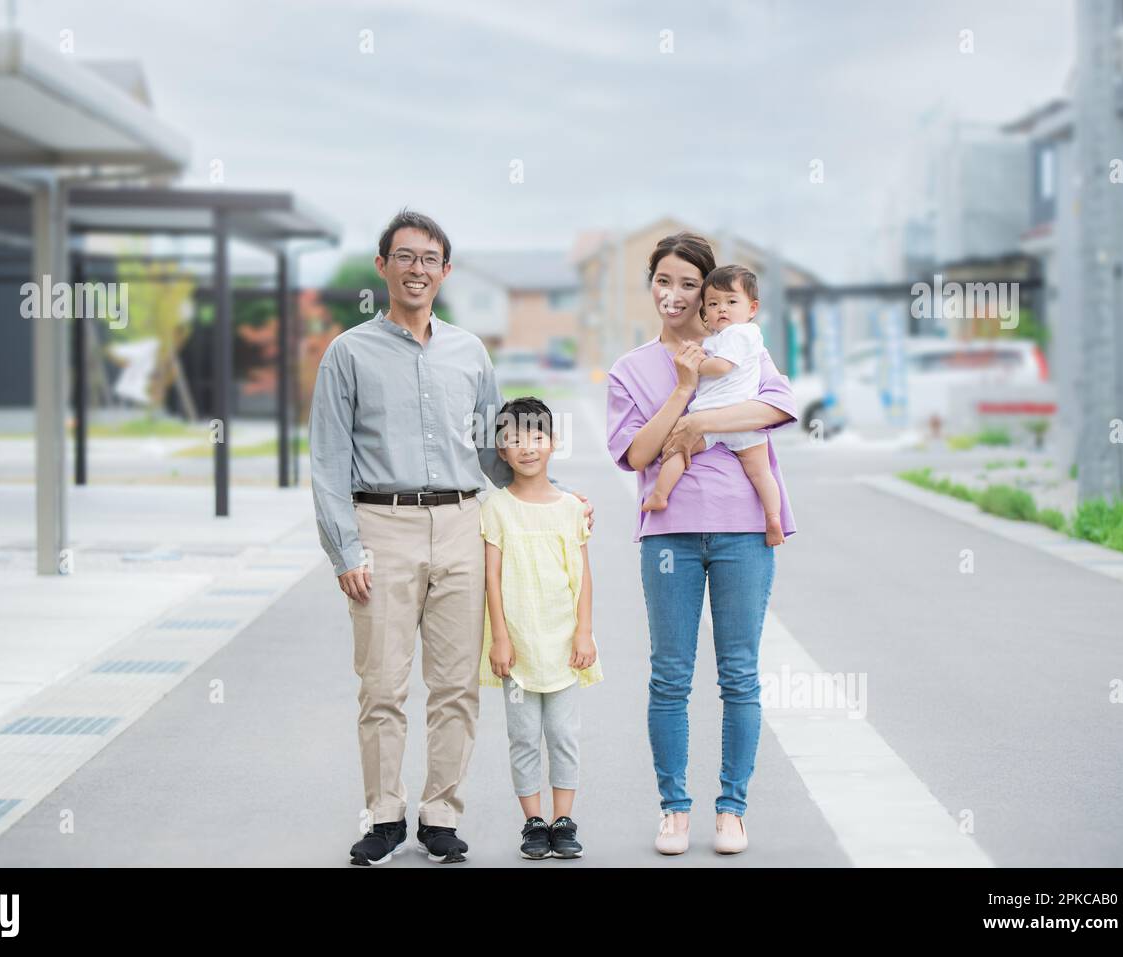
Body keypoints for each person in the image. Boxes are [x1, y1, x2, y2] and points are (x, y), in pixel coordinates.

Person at [309, 209, 593, 866]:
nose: (417, 269)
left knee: (456, 684)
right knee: (381, 682)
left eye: (429, 258)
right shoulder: (349, 352)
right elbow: (327, 459)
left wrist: (557, 495)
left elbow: (499, 451)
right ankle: (384, 814)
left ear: (445, 270)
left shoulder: (470, 351)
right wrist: (344, 549)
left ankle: (440, 813)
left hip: (465, 523)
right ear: (383, 266)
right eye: (404, 256)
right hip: (382, 523)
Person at [605, 232, 798, 856]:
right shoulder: (631, 368)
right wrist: (685, 389)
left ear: (716, 295)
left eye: (692, 285)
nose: (678, 295)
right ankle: (674, 810)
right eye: (665, 281)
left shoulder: (744, 346)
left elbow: (774, 410)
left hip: (743, 530)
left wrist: (699, 423)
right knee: (670, 676)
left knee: (739, 675)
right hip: (670, 535)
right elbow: (636, 453)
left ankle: (732, 809)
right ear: (651, 286)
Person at [478, 396, 603, 860]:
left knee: (563, 734)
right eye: (513, 439)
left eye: (536, 436)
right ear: (501, 451)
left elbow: (583, 574)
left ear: (554, 443)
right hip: (516, 647)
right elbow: (491, 577)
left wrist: (584, 632)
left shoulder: (571, 508)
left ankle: (563, 820)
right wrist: (500, 638)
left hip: (563, 643)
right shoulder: (496, 508)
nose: (526, 447)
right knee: (524, 734)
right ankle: (533, 821)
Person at [642, 265, 785, 547]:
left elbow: (720, 367)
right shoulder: (719, 339)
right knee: (760, 471)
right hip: (743, 424)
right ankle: (772, 517)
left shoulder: (740, 334)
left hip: (720, 415)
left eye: (732, 302)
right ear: (704, 311)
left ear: (752, 308)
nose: (722, 309)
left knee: (678, 450)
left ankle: (660, 493)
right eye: (714, 304)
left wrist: (696, 366)